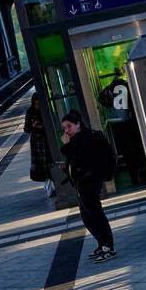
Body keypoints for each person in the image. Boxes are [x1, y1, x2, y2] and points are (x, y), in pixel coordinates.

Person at [59, 110, 117, 262]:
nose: (67, 131)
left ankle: (108, 247)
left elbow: (83, 158)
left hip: (91, 181)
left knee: (95, 214)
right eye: (64, 128)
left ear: (78, 125)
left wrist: (67, 146)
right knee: (87, 217)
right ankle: (102, 244)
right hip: (82, 183)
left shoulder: (88, 138)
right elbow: (77, 160)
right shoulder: (78, 140)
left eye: (69, 126)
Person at [25, 94, 55, 198]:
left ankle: (52, 185)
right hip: (37, 142)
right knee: (42, 166)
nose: (37, 105)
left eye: (39, 103)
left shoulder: (46, 109)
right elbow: (26, 129)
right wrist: (33, 125)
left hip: (47, 139)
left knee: (50, 161)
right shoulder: (30, 111)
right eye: (36, 103)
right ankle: (48, 186)